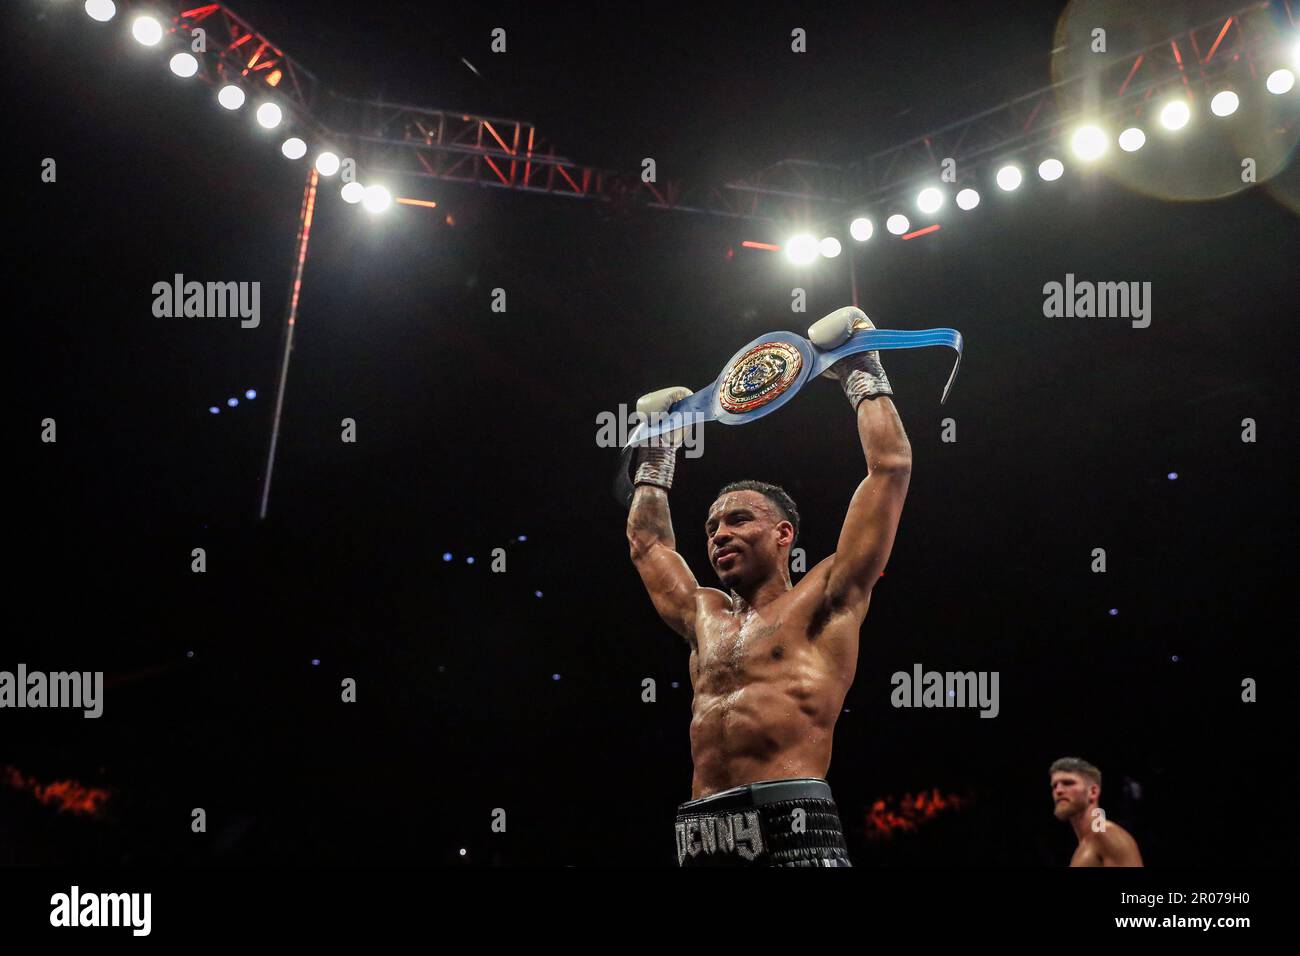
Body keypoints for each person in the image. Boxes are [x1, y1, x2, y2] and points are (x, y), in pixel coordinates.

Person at [625, 307, 911, 867]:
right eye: (711, 527)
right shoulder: (703, 614)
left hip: (792, 823)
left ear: (784, 534)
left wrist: (861, 370)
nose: (719, 535)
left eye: (738, 520)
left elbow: (890, 469)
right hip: (703, 832)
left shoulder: (829, 594)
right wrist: (656, 455)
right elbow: (649, 547)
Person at [1049, 756, 1144, 867]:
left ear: (1093, 792)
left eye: (1068, 783)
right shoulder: (1084, 845)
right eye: (1054, 786)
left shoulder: (1106, 835)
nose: (1058, 790)